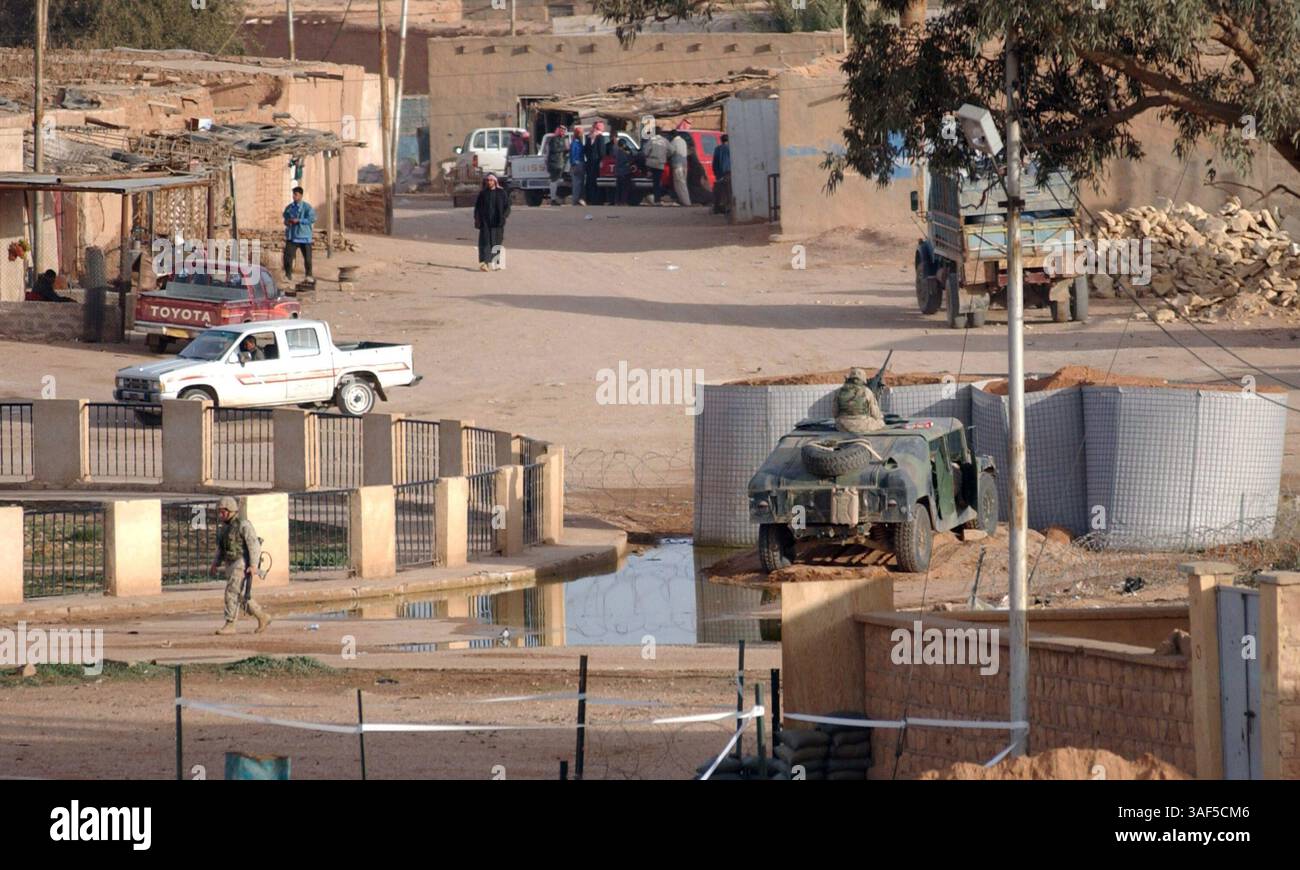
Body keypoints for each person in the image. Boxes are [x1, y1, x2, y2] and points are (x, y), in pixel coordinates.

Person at [208, 497, 271, 635]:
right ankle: (262, 616)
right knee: (240, 594)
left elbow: (253, 545)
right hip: (230, 563)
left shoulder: (243, 525)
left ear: (231, 511)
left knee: (231, 592)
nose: (221, 515)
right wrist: (215, 563)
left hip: (241, 563)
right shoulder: (225, 528)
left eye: (223, 512)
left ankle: (230, 624)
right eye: (219, 512)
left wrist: (253, 565)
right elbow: (221, 548)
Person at [473, 173, 511, 271]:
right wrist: (477, 219)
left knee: (497, 242)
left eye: (491, 180)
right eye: (487, 180)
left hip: (497, 222)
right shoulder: (483, 193)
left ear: (495, 181)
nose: (489, 182)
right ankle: (484, 264)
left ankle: (497, 263)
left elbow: (507, 207)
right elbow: (477, 208)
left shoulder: (501, 193)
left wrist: (504, 216)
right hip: (485, 222)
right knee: (485, 242)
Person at [834, 367, 885, 434]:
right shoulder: (867, 391)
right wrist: (880, 417)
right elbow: (875, 414)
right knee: (881, 422)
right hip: (862, 425)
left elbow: (835, 413)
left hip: (842, 426)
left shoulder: (839, 391)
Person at [282, 187, 316, 282]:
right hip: (292, 236)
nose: (294, 196)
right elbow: (285, 218)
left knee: (308, 259)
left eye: (296, 194)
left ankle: (308, 275)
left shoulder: (307, 207)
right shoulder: (289, 207)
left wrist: (299, 220)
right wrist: (287, 222)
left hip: (304, 237)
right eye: (293, 194)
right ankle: (288, 275)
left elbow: (312, 219)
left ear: (301, 195)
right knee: (287, 258)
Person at [643, 129, 670, 205]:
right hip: (660, 164)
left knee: (650, 181)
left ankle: (648, 196)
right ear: (661, 133)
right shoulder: (665, 141)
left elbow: (645, 151)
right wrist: (666, 155)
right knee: (657, 182)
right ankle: (657, 200)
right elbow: (672, 150)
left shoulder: (651, 140)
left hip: (651, 164)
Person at [545, 125, 568, 206]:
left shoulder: (562, 139)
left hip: (559, 163)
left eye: (564, 130)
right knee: (554, 180)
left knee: (557, 181)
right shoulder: (554, 139)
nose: (563, 131)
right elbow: (554, 149)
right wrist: (565, 148)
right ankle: (553, 199)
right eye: (561, 130)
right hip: (554, 163)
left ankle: (555, 198)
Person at [584, 120, 606, 205]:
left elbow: (586, 150)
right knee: (597, 181)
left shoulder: (589, 137)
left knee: (590, 181)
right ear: (599, 127)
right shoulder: (600, 137)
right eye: (602, 126)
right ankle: (597, 200)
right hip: (597, 162)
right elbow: (602, 151)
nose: (603, 127)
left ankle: (589, 199)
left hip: (589, 162)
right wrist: (602, 160)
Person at [712, 133, 732, 216]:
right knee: (728, 191)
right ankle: (727, 208)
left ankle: (718, 208)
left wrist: (716, 173)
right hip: (728, 172)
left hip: (719, 173)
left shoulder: (717, 149)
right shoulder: (730, 149)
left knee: (720, 191)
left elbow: (714, 163)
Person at [669, 133, 691, 206]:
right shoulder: (683, 141)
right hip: (685, 164)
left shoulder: (673, 142)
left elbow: (670, 152)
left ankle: (685, 202)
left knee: (679, 184)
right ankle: (685, 200)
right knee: (683, 183)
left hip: (677, 165)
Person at [569, 125, 586, 206]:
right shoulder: (575, 143)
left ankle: (578, 199)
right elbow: (573, 154)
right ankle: (575, 200)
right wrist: (574, 164)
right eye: (581, 133)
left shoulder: (578, 142)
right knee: (577, 183)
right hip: (577, 164)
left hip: (580, 163)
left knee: (580, 183)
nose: (582, 134)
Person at [614, 139, 633, 206]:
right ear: (623, 145)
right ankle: (623, 202)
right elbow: (628, 160)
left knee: (618, 188)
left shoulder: (616, 151)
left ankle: (617, 202)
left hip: (618, 172)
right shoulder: (623, 152)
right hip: (624, 172)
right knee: (624, 188)